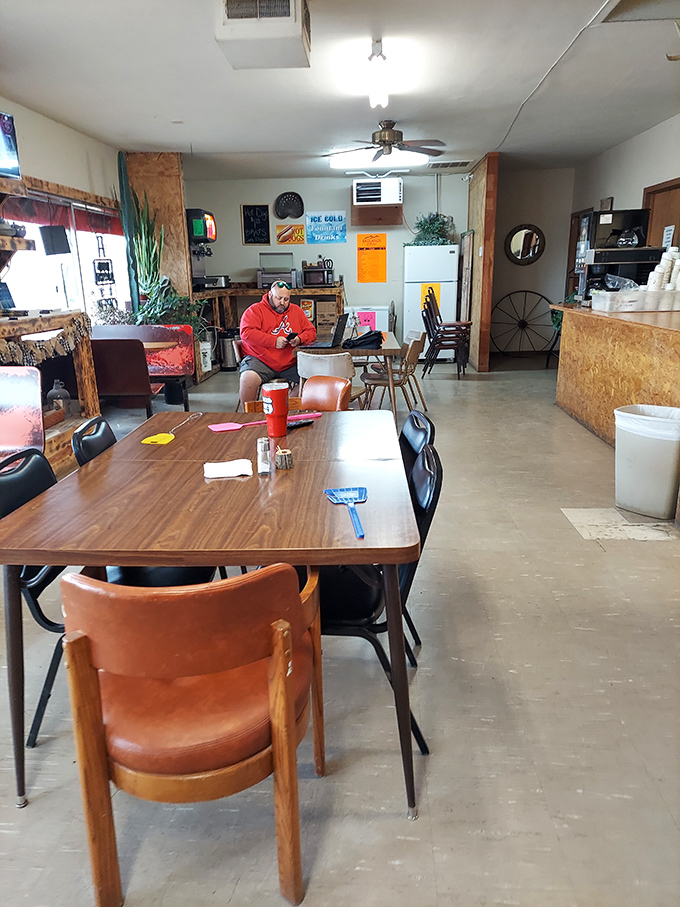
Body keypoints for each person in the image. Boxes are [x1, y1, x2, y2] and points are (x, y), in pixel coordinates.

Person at [238, 281, 316, 406]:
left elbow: (311, 331)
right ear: (269, 295)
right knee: (248, 378)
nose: (282, 303)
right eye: (278, 298)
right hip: (260, 360)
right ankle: (249, 415)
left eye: (286, 299)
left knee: (312, 379)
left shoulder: (296, 311)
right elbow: (246, 333)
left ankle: (285, 407)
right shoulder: (255, 310)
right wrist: (274, 341)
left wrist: (299, 339)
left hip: (290, 362)